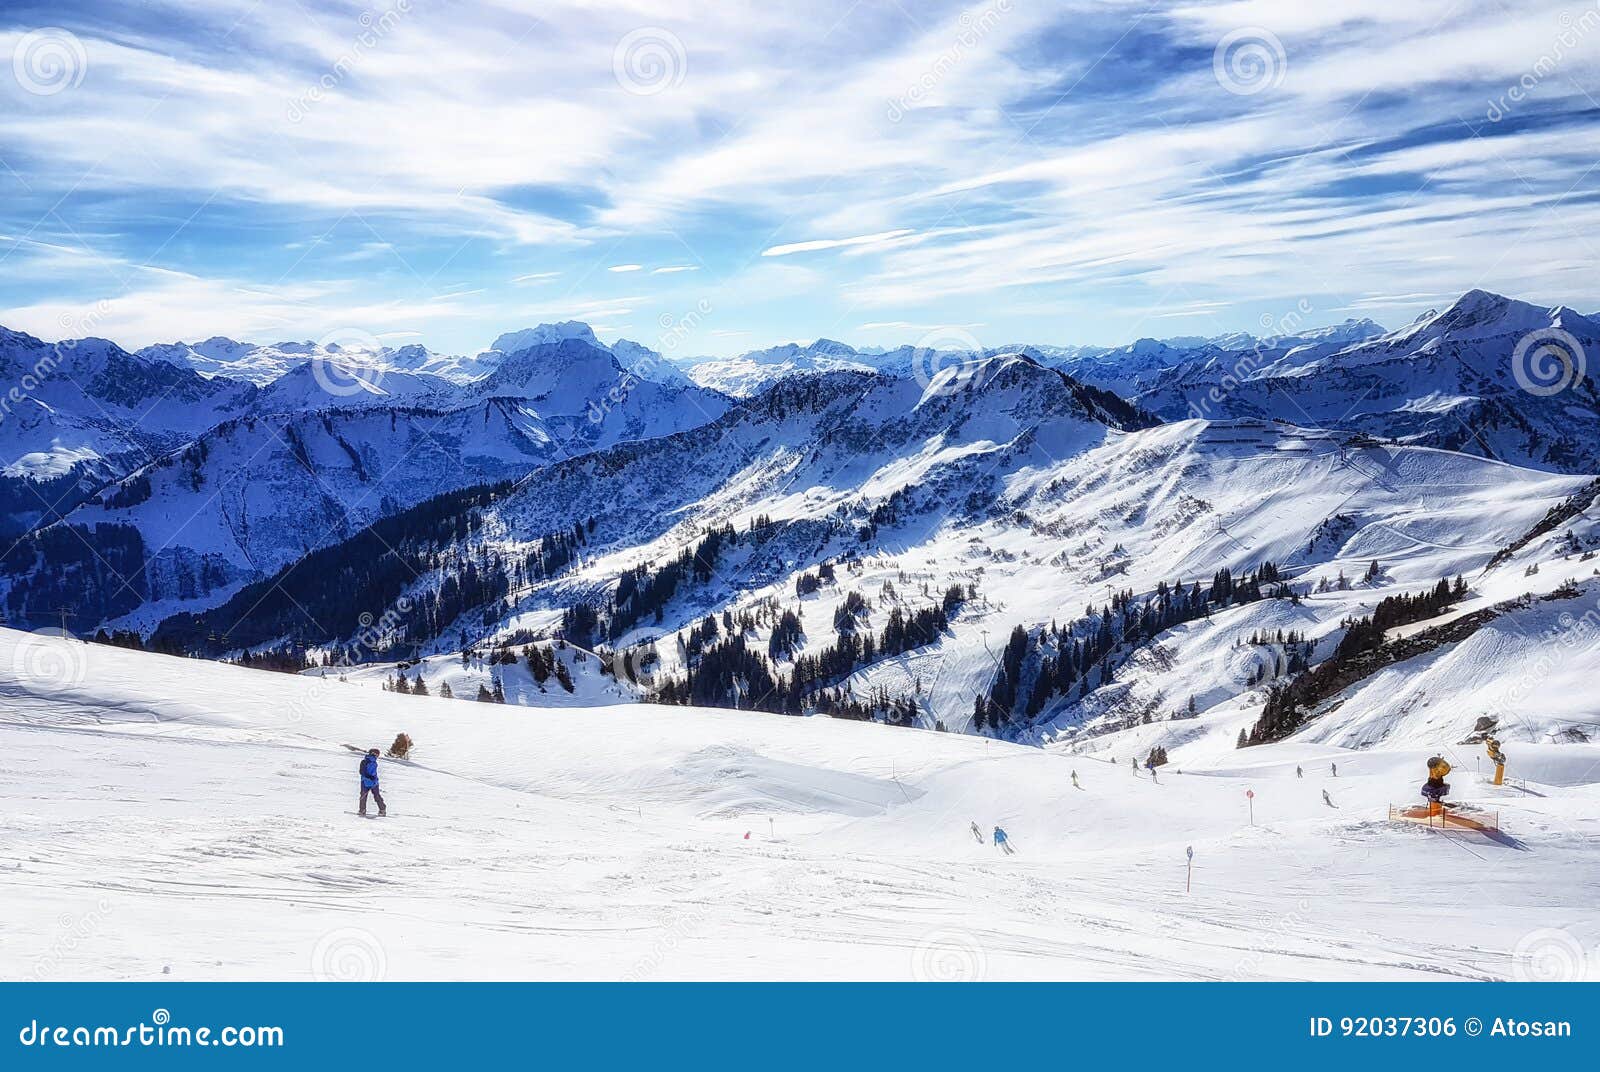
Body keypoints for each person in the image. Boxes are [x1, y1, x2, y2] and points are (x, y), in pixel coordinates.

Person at [359, 748, 387, 817]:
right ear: (373, 753)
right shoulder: (365, 761)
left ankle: (363, 810)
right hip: (367, 781)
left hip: (371, 782)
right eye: (377, 754)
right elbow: (362, 771)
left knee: (366, 796)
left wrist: (373, 779)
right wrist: (370, 777)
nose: (377, 756)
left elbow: (372, 773)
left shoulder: (374, 763)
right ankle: (382, 809)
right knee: (366, 796)